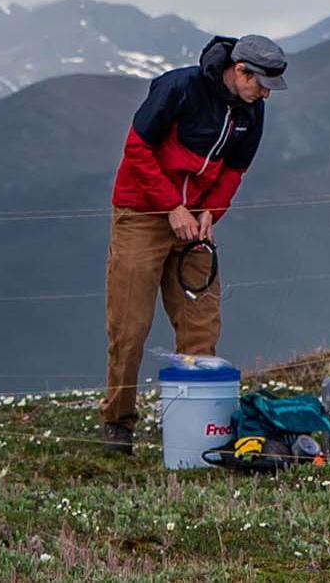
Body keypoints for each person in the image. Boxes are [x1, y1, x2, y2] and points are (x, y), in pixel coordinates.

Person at [99, 34, 284, 453]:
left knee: (201, 323)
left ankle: (195, 426)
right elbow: (137, 150)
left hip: (195, 222)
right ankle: (118, 423)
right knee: (129, 326)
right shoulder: (179, 88)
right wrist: (171, 207)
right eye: (261, 84)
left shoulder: (251, 112)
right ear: (240, 71)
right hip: (142, 213)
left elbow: (235, 170)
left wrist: (209, 212)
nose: (266, 95)